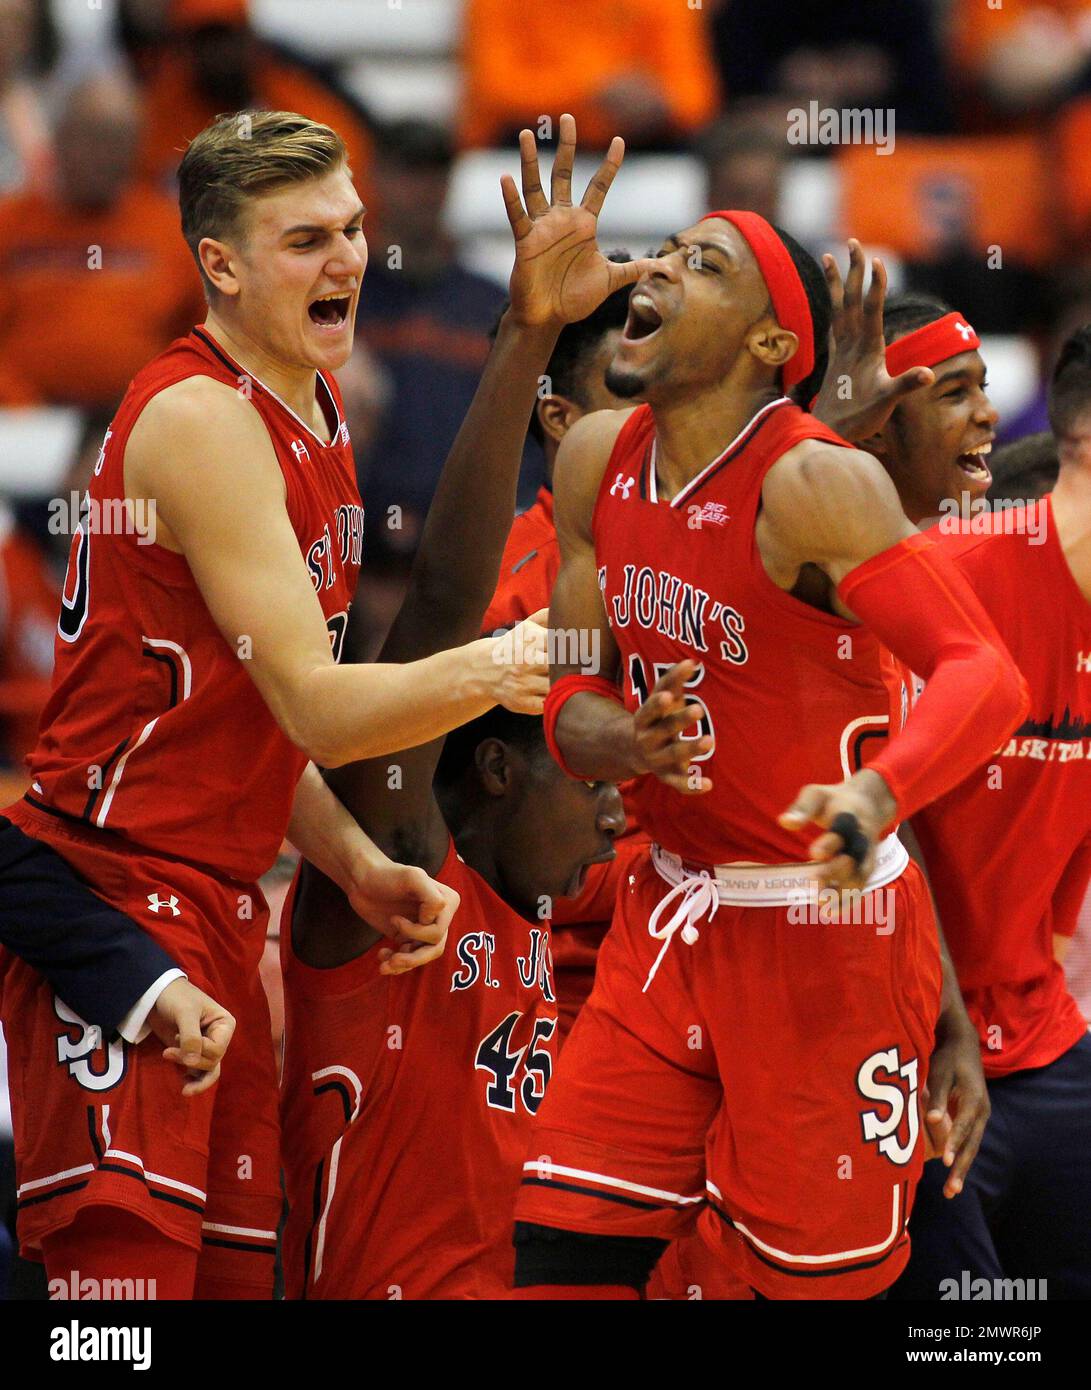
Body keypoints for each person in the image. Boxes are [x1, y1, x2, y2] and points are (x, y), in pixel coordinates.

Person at [0, 107, 554, 1301]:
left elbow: (256, 722)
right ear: (220, 263)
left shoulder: (315, 408)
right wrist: (513, 663)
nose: (347, 258)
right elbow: (316, 704)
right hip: (112, 897)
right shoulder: (201, 417)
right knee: (112, 1320)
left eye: (351, 230)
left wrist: (350, 861)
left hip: (215, 904)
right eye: (305, 239)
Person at [510, 208, 1028, 1300]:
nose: (655, 266)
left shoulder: (814, 485)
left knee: (803, 1287)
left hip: (821, 937)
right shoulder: (599, 455)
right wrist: (619, 735)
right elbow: (567, 682)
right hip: (671, 915)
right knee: (555, 1245)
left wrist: (872, 796)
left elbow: (986, 674)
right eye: (665, 250)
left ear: (764, 346)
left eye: (701, 264)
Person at [280, 118, 647, 1298]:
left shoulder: (530, 907)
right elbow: (440, 601)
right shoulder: (399, 884)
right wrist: (530, 330)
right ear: (491, 771)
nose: (611, 813)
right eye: (587, 781)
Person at [840, 306, 1091, 1300]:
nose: (981, 414)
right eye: (953, 389)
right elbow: (873, 841)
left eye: (983, 387)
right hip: (911, 1055)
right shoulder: (942, 581)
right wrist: (944, 1027)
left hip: (1043, 1037)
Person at [0, 68, 206, 407]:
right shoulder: (11, 224)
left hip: (139, 420)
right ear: (59, 137)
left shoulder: (171, 230)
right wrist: (16, 404)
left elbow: (206, 337)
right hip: (26, 423)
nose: (107, 155)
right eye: (93, 138)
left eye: (120, 140)